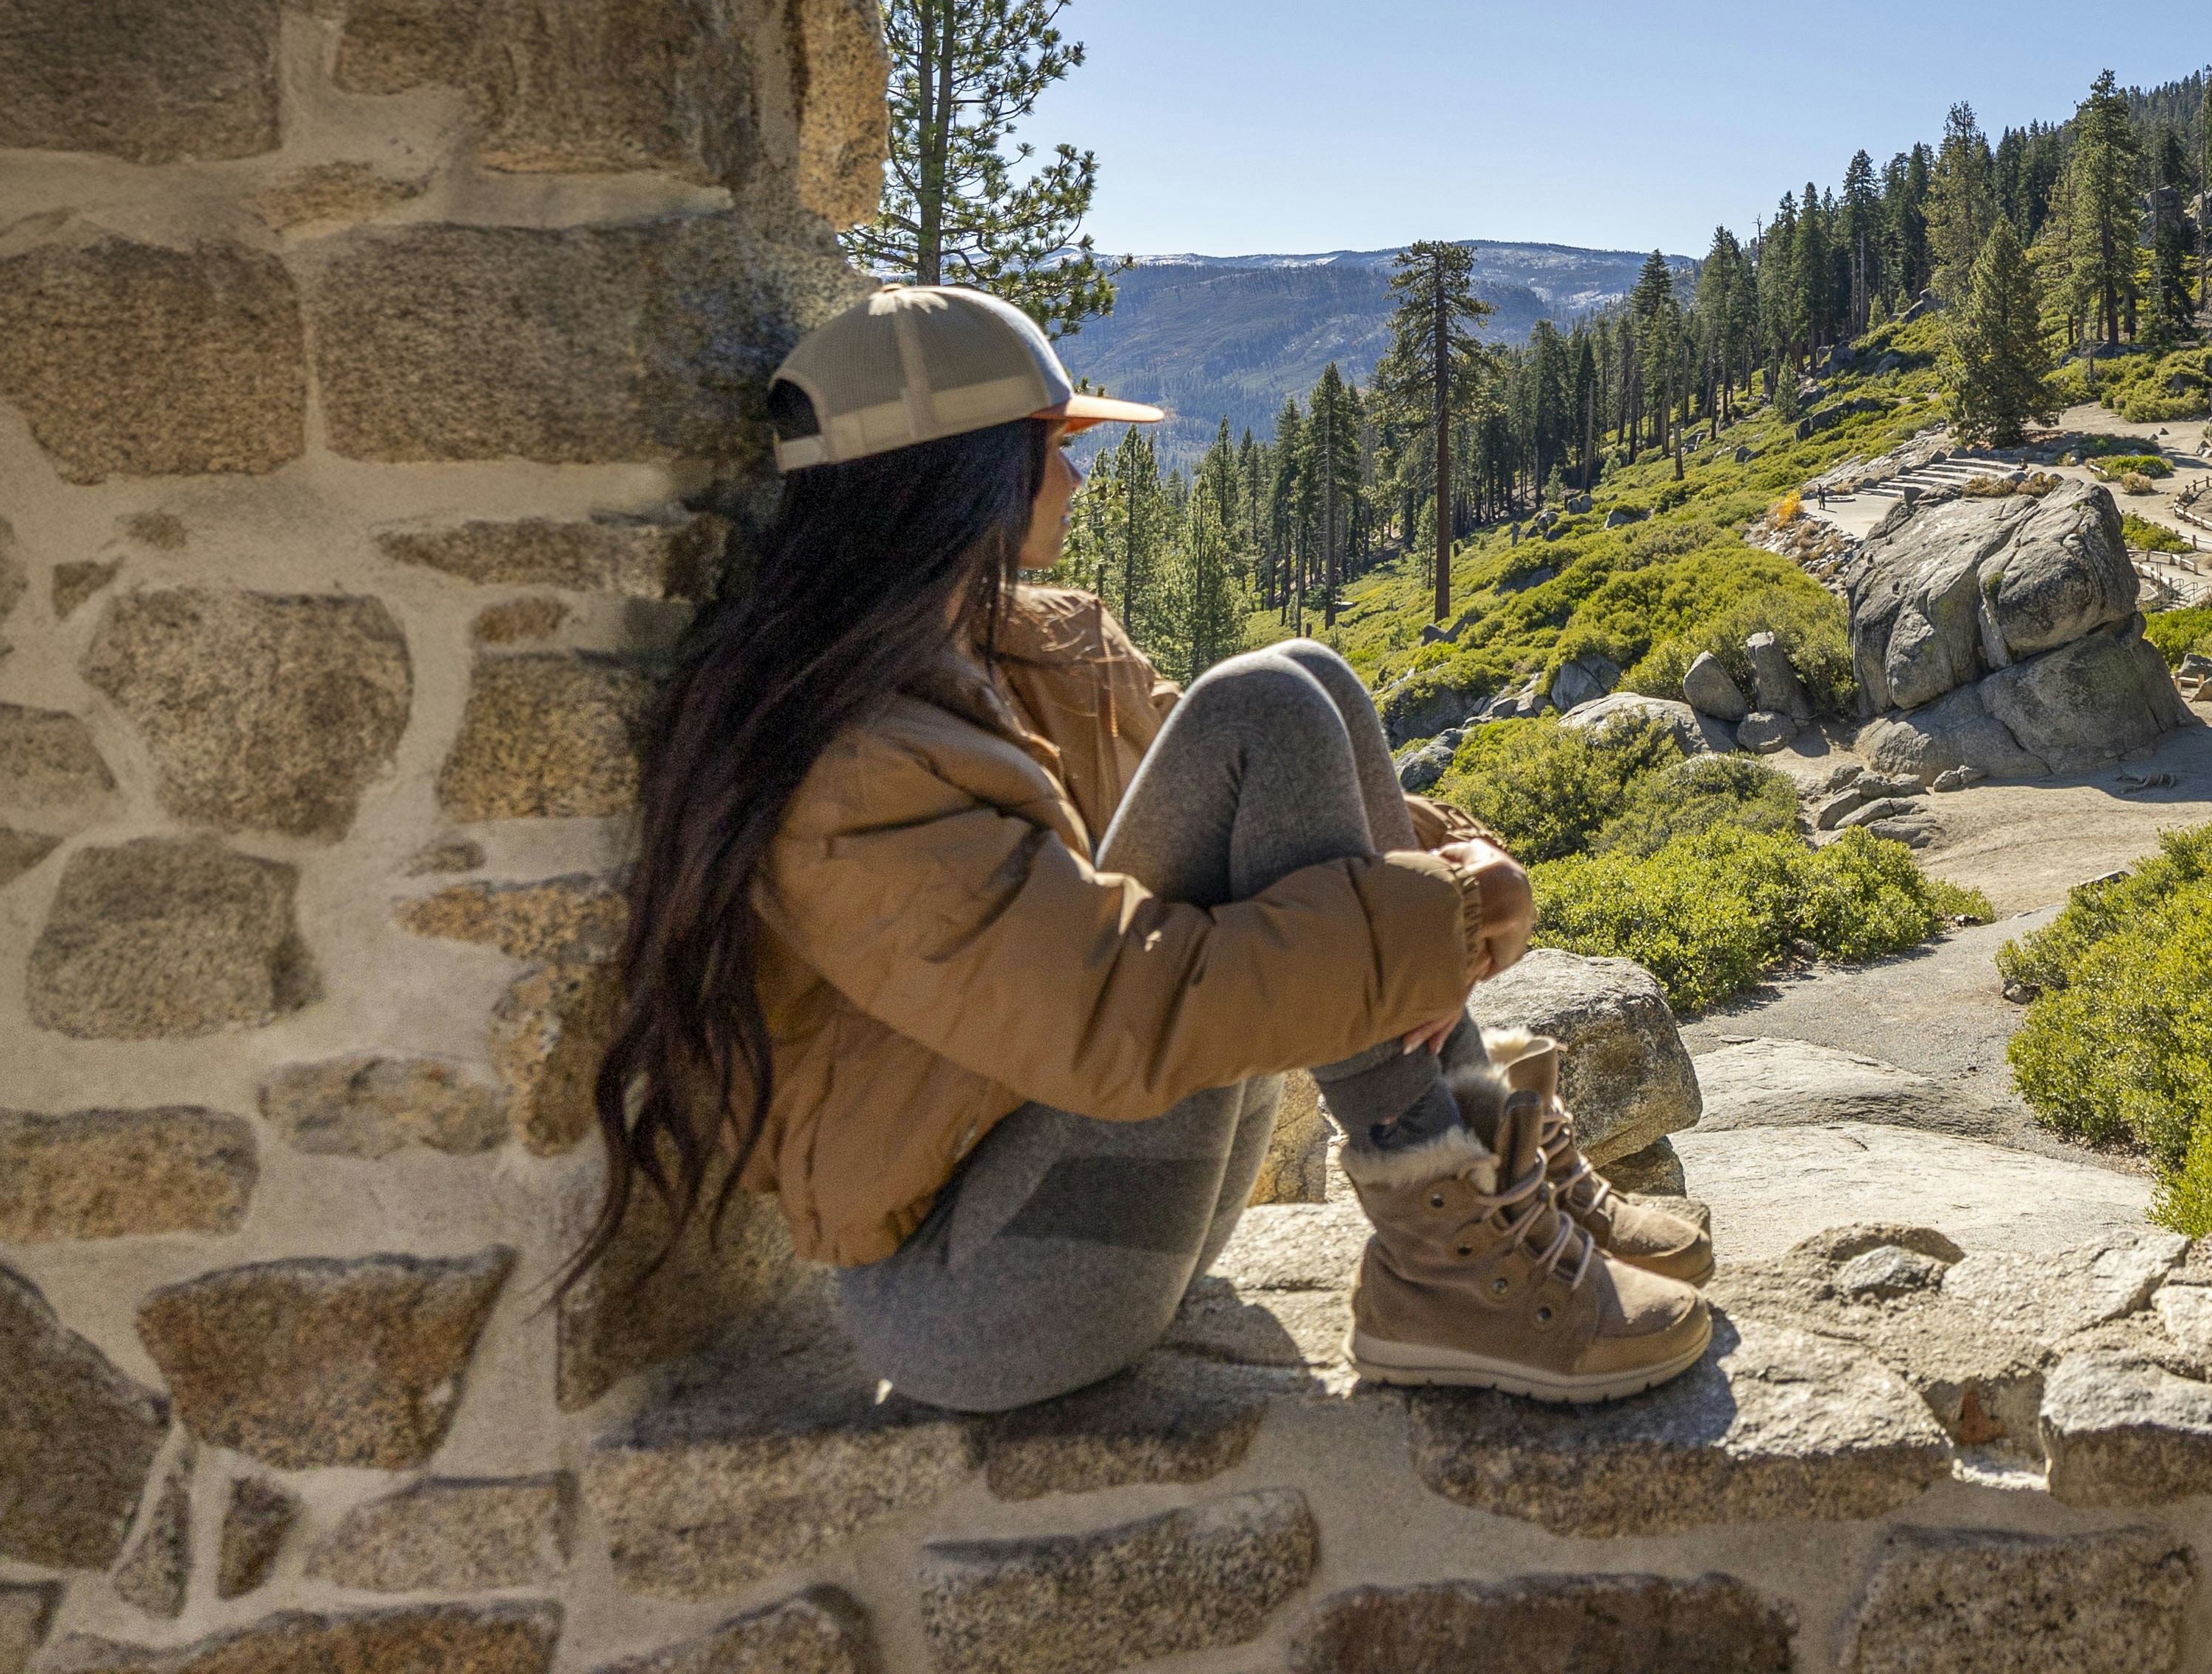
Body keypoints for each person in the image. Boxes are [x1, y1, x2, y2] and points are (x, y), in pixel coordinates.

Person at [562, 283, 1713, 1413]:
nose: (1073, 472)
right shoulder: (848, 772)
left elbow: (1270, 798)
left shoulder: (1032, 652)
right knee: (1266, 707)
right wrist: (1434, 923)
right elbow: (1116, 1013)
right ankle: (1454, 1255)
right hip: (988, 1300)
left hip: (1087, 1192)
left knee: (1292, 684)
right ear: (962, 476)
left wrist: (1456, 863)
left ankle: (1495, 1185)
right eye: (1051, 445)